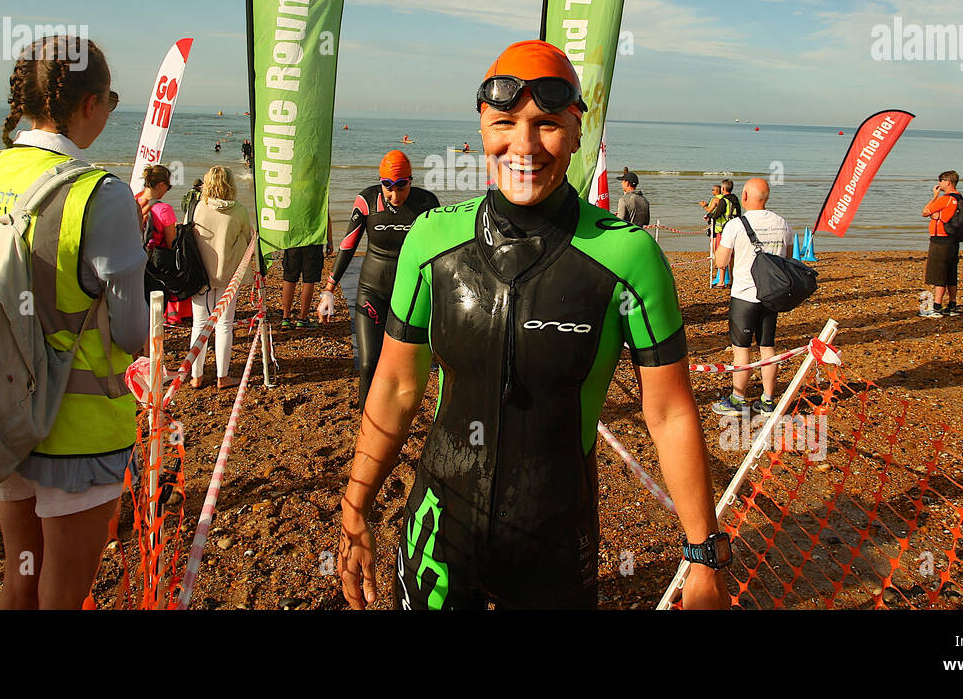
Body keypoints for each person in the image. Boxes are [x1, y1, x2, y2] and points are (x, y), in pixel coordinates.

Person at [337, 40, 729, 611]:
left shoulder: (627, 258)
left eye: (546, 124)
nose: (524, 145)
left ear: (576, 131)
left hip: (556, 541)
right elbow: (396, 387)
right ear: (482, 129)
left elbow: (668, 412)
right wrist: (355, 509)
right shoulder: (431, 243)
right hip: (438, 530)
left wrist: (703, 553)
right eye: (504, 122)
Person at [0, 35, 147, 610]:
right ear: (89, 104)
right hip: (78, 423)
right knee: (64, 591)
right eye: (110, 99)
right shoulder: (101, 194)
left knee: (20, 576)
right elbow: (132, 334)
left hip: (1, 406)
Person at [319, 150, 440, 407]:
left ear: (410, 180)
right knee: (368, 362)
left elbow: (438, 252)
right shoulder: (367, 199)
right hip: (371, 290)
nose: (395, 195)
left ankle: (394, 413)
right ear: (380, 182)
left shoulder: (426, 202)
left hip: (409, 294)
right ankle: (366, 418)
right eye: (388, 187)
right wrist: (329, 289)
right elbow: (349, 244)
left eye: (401, 186)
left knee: (403, 365)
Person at [710, 177, 794, 416]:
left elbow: (721, 262)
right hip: (771, 296)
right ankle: (768, 400)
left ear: (745, 197)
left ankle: (738, 399)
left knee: (741, 349)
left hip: (745, 295)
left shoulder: (736, 225)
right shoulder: (783, 223)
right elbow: (786, 259)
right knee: (768, 347)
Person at [187, 166, 251, 390]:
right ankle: (222, 376)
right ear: (231, 184)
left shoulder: (198, 208)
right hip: (228, 276)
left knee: (199, 325)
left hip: (200, 275)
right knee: (224, 325)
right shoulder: (240, 210)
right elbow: (249, 240)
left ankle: (196, 375)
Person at [137, 164, 189, 326]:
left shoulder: (133, 201)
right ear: (161, 185)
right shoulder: (164, 209)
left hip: (134, 262)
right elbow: (170, 243)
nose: (167, 191)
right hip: (155, 267)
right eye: (168, 187)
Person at [921, 170, 963, 317]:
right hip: (953, 239)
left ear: (948, 182)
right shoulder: (959, 198)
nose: (939, 183)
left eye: (941, 180)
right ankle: (952, 304)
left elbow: (925, 211)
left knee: (939, 274)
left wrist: (934, 196)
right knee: (951, 273)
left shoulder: (945, 199)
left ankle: (936, 306)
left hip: (940, 239)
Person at [280, 217, 332, 328]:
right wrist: (329, 240)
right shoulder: (319, 197)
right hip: (313, 240)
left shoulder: (292, 198)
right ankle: (302, 319)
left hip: (292, 239)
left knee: (289, 278)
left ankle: (286, 318)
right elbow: (325, 217)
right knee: (308, 281)